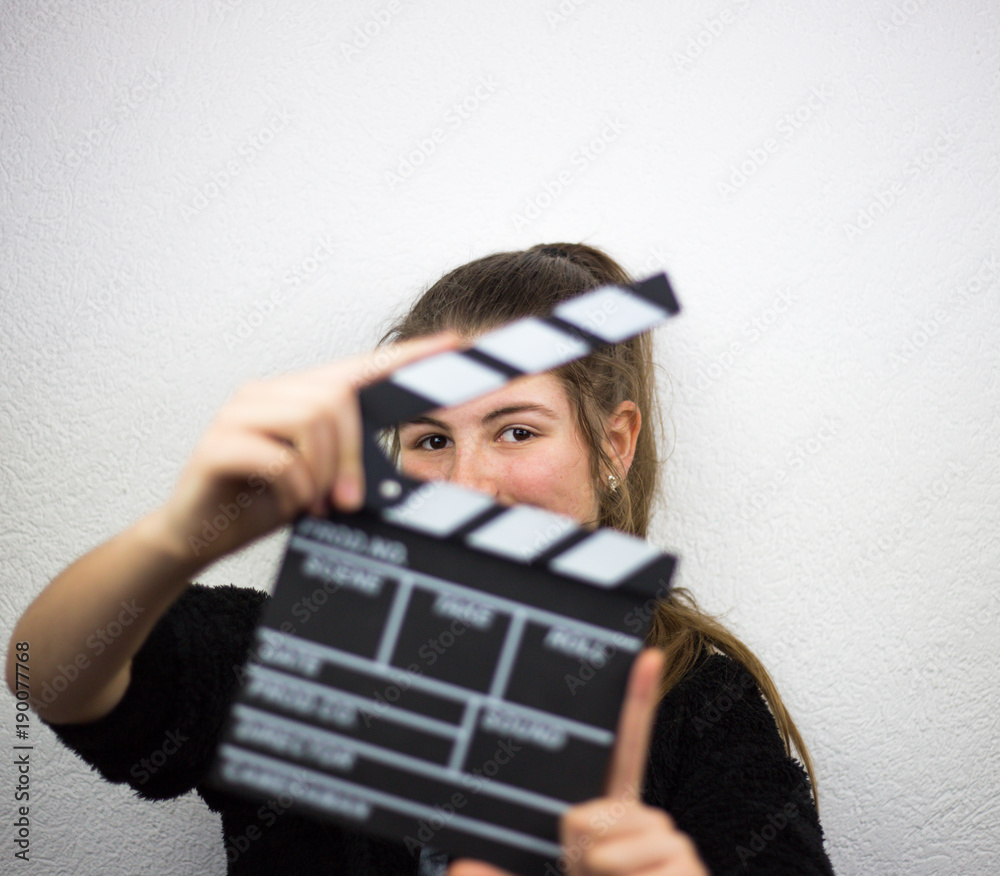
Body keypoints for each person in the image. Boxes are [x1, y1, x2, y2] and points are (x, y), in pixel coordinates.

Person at [6, 242, 835, 875]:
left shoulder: (701, 703)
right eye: (431, 438)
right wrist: (183, 533)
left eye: (516, 430)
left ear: (611, 444)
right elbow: (42, 667)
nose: (465, 483)